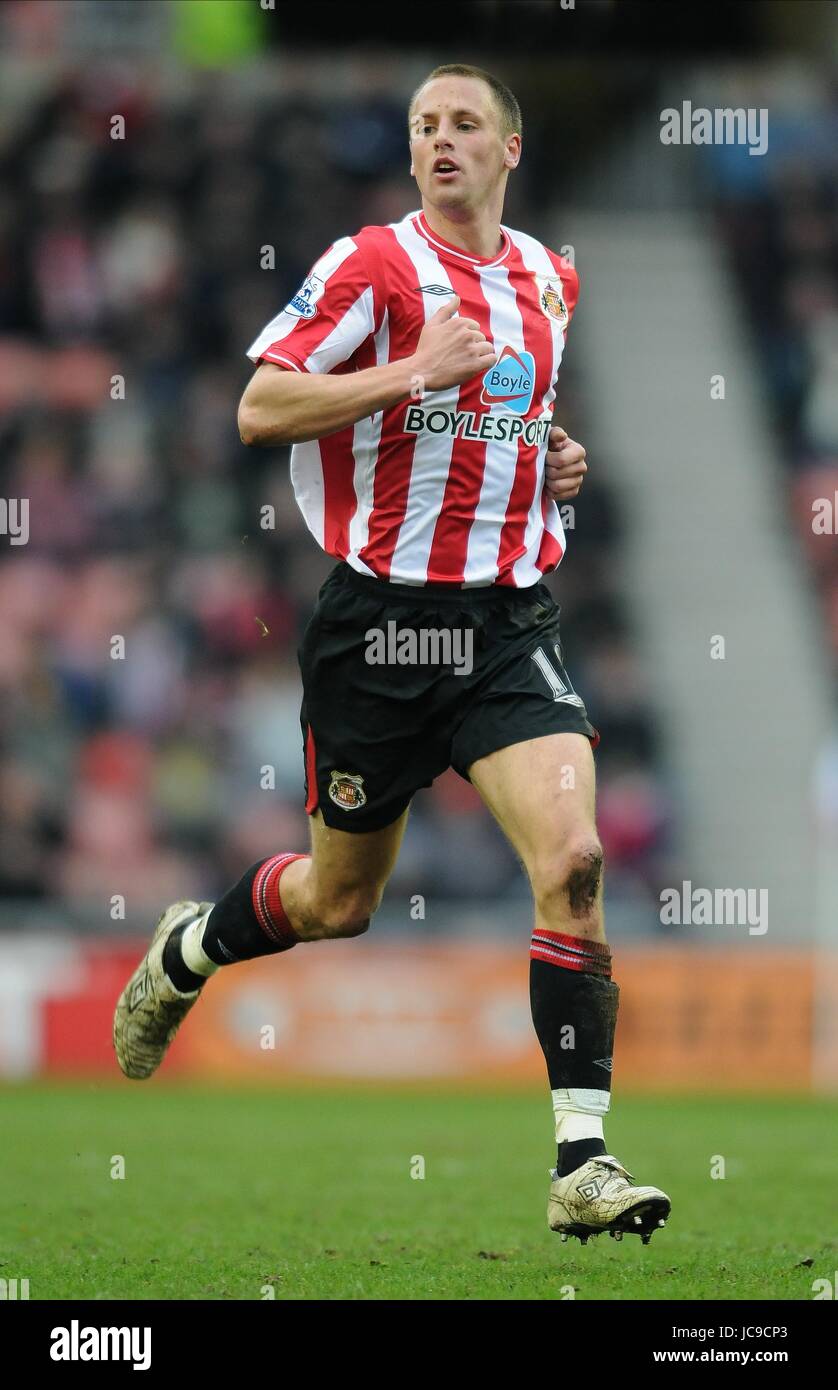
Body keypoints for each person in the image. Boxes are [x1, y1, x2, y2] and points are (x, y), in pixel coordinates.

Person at [114, 63, 670, 1246]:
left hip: (508, 624)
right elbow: (262, 406)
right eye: (424, 126)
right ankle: (189, 947)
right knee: (336, 901)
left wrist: (556, 458)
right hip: (378, 630)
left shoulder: (548, 279)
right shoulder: (372, 265)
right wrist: (412, 371)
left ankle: (582, 1158)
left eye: (465, 124)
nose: (441, 142)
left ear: (509, 150)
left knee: (572, 858)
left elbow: (509, 419)